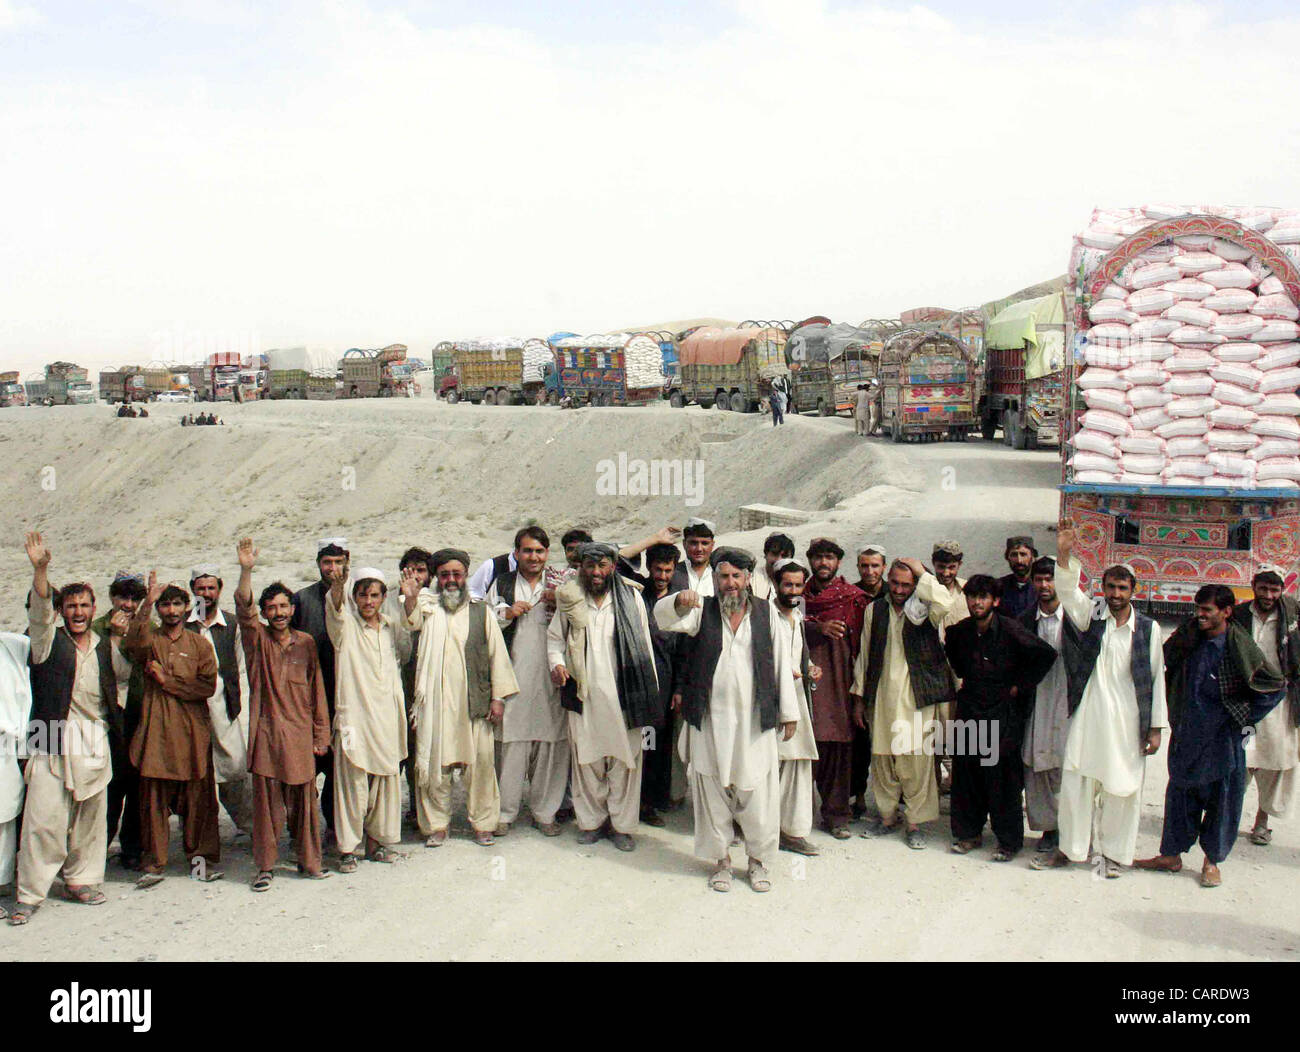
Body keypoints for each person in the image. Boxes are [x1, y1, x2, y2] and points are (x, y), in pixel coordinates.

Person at [656, 547, 798, 892]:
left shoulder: (767, 614)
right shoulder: (701, 609)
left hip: (754, 719)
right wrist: (679, 600)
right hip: (710, 720)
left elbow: (781, 664)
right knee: (712, 791)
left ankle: (758, 862)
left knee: (757, 793)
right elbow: (663, 618)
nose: (730, 583)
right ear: (715, 579)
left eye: (737, 576)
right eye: (724, 576)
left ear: (749, 579)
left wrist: (789, 712)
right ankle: (721, 861)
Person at [1032, 521, 1167, 877]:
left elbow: (1156, 681)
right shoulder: (1092, 616)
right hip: (1089, 715)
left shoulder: (1148, 630)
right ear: (1103, 589)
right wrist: (1063, 553)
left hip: (1126, 721)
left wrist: (1155, 728)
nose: (1116, 593)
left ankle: (1114, 855)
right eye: (1110, 587)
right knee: (1077, 782)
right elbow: (1068, 592)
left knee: (1122, 789)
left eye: (1123, 587)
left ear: (1133, 590)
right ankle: (1071, 849)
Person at [1135, 586, 1284, 887]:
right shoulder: (1188, 637)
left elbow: (1274, 685)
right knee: (1180, 794)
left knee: (1223, 798)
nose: (1199, 615)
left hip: (1224, 737)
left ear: (1226, 612)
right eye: (1198, 609)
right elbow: (1163, 666)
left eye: (1207, 611)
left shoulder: (1238, 645)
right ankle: (1171, 855)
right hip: (1188, 731)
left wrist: (1243, 716)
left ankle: (1212, 861)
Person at [9, 534, 123, 925]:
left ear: (94, 610)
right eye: (70, 606)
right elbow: (39, 614)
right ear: (62, 610)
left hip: (94, 737)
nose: (77, 611)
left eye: (84, 605)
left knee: (91, 819)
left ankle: (81, 880)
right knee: (43, 819)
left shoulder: (105, 644)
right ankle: (29, 894)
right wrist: (41, 569)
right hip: (48, 733)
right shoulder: (46, 642)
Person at [547, 543, 659, 851]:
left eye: (603, 566)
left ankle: (622, 827)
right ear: (581, 568)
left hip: (624, 695)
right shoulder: (570, 597)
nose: (596, 572)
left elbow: (644, 646)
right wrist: (556, 664)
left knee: (625, 762)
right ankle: (592, 823)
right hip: (584, 695)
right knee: (587, 761)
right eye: (591, 566)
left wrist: (647, 691)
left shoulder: (631, 598)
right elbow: (555, 639)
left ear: (612, 567)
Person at [233, 539, 331, 891]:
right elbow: (243, 608)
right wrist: (246, 570)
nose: (278, 613)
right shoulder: (256, 639)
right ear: (264, 612)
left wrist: (321, 735)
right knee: (268, 809)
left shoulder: (305, 643)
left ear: (292, 608)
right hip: (267, 736)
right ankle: (265, 867)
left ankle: (310, 862)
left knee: (305, 806)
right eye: (271, 607)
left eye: (283, 606)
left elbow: (317, 692)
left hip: (301, 736)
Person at [407, 549, 518, 847]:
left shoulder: (482, 611)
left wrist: (498, 698)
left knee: (481, 764)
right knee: (436, 766)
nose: (451, 581)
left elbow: (498, 657)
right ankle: (436, 825)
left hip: (475, 701)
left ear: (466, 575)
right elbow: (410, 622)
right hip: (436, 704)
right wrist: (410, 597)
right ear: (437, 578)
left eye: (457, 574)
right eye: (444, 575)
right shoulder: (428, 609)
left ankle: (483, 822)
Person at [943, 575, 1057, 861]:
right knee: (967, 774)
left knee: (1002, 777)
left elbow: (1044, 654)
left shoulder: (1010, 629)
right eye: (972, 596)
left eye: (983, 597)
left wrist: (1020, 684)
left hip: (1001, 710)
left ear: (995, 601)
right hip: (970, 706)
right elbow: (956, 663)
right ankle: (968, 833)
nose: (976, 602)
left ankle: (1008, 841)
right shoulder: (960, 632)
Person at [851, 557, 955, 849]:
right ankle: (886, 818)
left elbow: (945, 602)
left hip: (916, 697)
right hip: (881, 697)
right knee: (882, 759)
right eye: (894, 583)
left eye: (906, 584)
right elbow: (864, 655)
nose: (898, 589)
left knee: (915, 763)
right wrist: (859, 699)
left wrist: (923, 573)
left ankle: (915, 823)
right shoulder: (877, 609)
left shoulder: (925, 610)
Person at [125, 572, 221, 889]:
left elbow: (206, 687)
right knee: (153, 802)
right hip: (156, 733)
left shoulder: (199, 644)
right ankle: (154, 863)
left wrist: (167, 681)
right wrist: (147, 602)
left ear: (187, 607)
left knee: (198, 802)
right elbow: (132, 643)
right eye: (165, 605)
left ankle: (199, 862)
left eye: (177, 604)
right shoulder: (150, 641)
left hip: (191, 733)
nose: (171, 610)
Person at [327, 562, 407, 870]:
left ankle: (377, 843)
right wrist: (337, 589)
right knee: (352, 783)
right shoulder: (345, 626)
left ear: (383, 596)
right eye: (362, 596)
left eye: (374, 596)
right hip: (354, 719)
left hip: (385, 716)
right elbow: (334, 611)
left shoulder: (389, 626)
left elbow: (406, 649)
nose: (369, 602)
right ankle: (348, 849)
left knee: (385, 781)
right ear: (354, 597)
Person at [488, 528, 567, 836]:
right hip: (514, 678)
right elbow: (486, 621)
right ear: (517, 553)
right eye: (527, 551)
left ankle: (544, 812)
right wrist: (507, 612)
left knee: (551, 746)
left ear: (547, 554)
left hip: (551, 679)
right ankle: (504, 813)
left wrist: (560, 600)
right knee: (510, 746)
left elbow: (578, 615)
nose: (534, 557)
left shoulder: (559, 582)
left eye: (540, 551)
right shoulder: (504, 583)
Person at [613, 538, 683, 826]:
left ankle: (651, 802)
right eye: (657, 569)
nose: (662, 576)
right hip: (635, 681)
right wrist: (655, 537)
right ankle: (631, 801)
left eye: (668, 571)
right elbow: (615, 561)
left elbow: (684, 651)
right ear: (649, 568)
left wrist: (678, 689)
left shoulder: (680, 600)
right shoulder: (636, 592)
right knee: (637, 742)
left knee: (657, 745)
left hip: (664, 686)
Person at [803, 537, 868, 838]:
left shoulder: (854, 598)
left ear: (839, 562)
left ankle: (836, 815)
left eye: (829, 558)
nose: (823, 563)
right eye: (818, 558)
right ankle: (797, 817)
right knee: (803, 751)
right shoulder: (796, 593)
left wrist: (859, 695)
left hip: (840, 685)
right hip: (804, 684)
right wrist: (817, 629)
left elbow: (864, 649)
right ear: (810, 561)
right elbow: (779, 624)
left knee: (838, 750)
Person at [188, 566, 253, 836]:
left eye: (211, 588)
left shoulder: (231, 625)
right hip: (192, 713)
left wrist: (243, 713)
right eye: (201, 588)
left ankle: (251, 828)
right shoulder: (183, 624)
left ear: (219, 589)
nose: (206, 594)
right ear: (193, 590)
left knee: (236, 769)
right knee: (197, 778)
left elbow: (240, 670)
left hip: (226, 710)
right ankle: (201, 841)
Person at [1237, 567, 1300, 845]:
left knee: (1273, 762)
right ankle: (1227, 818)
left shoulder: (1292, 617)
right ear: (1253, 586)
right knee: (1242, 759)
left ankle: (1261, 823)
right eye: (1263, 589)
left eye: (1274, 590)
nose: (1268, 595)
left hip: (1278, 701)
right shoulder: (1239, 615)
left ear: (1281, 591)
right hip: (1247, 702)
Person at [291, 537, 348, 835]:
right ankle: (304, 833)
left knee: (341, 770)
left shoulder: (358, 595)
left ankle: (335, 830)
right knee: (308, 766)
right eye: (328, 562)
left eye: (339, 562)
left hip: (347, 697)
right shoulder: (301, 600)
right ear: (318, 564)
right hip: (310, 698)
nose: (333, 569)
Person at [1020, 556, 1072, 855]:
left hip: (1067, 699)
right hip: (1037, 700)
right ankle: (1049, 829)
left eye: (1049, 579)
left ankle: (1071, 828)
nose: (1044, 585)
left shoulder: (1078, 620)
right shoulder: (1026, 621)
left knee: (1066, 766)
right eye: (1038, 580)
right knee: (1037, 764)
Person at [96, 571, 147, 871]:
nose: (127, 604)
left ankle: (132, 848)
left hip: (138, 715)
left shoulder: (148, 626)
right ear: (112, 597)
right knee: (108, 786)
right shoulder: (95, 628)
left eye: (134, 598)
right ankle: (96, 848)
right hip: (106, 718)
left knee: (138, 784)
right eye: (122, 597)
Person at [770, 560, 820, 855]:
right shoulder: (764, 616)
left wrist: (810, 667)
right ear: (776, 584)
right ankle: (761, 829)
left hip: (798, 698)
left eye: (798, 585)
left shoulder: (797, 616)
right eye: (787, 584)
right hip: (772, 701)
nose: (792, 591)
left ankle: (793, 833)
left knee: (797, 765)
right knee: (768, 766)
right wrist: (782, 672)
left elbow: (798, 653)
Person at [386, 546, 432, 817]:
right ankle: (387, 816)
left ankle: (419, 812)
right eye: (410, 569)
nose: (415, 575)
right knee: (394, 752)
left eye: (421, 570)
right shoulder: (387, 600)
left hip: (423, 684)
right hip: (393, 683)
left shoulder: (436, 601)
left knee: (420, 753)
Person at [850, 541, 887, 815]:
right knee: (860, 742)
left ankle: (893, 803)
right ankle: (858, 796)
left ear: (883, 567)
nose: (870, 571)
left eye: (875, 565)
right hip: (858, 672)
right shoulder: (850, 594)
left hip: (889, 676)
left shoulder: (896, 592)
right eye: (865, 565)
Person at [0, 630, 29, 913]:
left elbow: (23, 697)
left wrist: (24, 749)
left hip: (5, 746)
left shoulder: (13, 646)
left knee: (4, 817)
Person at [672, 518, 716, 595]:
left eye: (704, 543)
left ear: (712, 545)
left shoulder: (720, 573)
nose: (699, 549)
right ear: (684, 544)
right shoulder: (671, 574)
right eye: (693, 543)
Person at [998, 535, 1037, 619]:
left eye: (1023, 554)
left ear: (1033, 557)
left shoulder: (1042, 586)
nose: (1019, 560)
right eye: (1014, 555)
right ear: (1007, 557)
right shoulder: (998, 587)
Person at [749, 532, 795, 602]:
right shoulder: (751, 578)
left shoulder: (795, 583)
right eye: (775, 554)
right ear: (766, 554)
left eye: (784, 556)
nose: (779, 560)